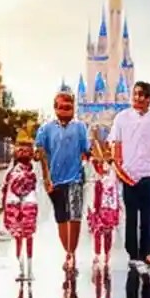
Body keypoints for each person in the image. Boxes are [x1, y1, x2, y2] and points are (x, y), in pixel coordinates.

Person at [106, 81, 150, 273]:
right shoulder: (122, 118)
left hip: (149, 174)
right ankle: (133, 254)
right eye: (135, 94)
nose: (138, 98)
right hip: (128, 173)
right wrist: (118, 167)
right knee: (131, 216)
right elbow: (115, 144)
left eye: (142, 95)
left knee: (147, 215)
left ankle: (147, 251)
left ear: (149, 98)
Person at [36, 92, 92, 274]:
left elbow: (86, 151)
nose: (65, 111)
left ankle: (72, 254)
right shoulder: (45, 129)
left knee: (74, 217)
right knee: (62, 218)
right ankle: (67, 251)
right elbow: (41, 154)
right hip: (55, 180)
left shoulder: (80, 128)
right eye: (61, 107)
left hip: (75, 178)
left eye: (69, 108)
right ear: (55, 108)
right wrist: (46, 178)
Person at [1, 127, 40, 281]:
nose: (23, 151)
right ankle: (22, 269)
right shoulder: (12, 171)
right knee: (20, 237)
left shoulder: (31, 170)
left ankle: (28, 270)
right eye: (20, 148)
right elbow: (5, 188)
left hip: (26, 203)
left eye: (27, 149)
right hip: (15, 203)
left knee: (26, 236)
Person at [86, 135, 121, 271]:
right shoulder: (95, 169)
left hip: (109, 206)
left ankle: (106, 255)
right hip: (98, 205)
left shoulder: (113, 171)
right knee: (97, 232)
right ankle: (97, 254)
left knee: (107, 232)